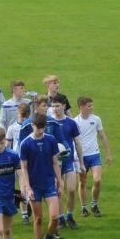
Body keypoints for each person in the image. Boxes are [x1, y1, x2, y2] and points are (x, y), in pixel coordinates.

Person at [18, 113, 63, 239]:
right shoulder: (25, 144)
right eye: (38, 128)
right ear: (32, 126)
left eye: (42, 128)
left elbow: (55, 162)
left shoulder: (50, 140)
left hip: (49, 183)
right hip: (35, 186)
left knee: (55, 217)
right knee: (38, 219)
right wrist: (27, 187)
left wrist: (60, 181)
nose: (40, 131)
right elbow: (23, 168)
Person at [48, 97, 85, 230]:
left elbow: (78, 143)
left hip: (68, 161)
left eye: (58, 105)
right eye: (53, 106)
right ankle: (61, 217)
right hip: (54, 163)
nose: (55, 108)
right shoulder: (49, 123)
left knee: (71, 189)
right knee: (58, 191)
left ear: (64, 106)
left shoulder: (71, 122)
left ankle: (70, 216)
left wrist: (81, 163)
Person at [74, 96, 113, 218]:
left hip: (94, 154)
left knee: (97, 180)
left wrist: (108, 154)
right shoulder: (75, 122)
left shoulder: (96, 119)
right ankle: (84, 207)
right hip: (81, 157)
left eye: (92, 105)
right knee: (82, 182)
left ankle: (94, 204)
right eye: (89, 106)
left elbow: (102, 136)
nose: (92, 108)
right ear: (81, 107)